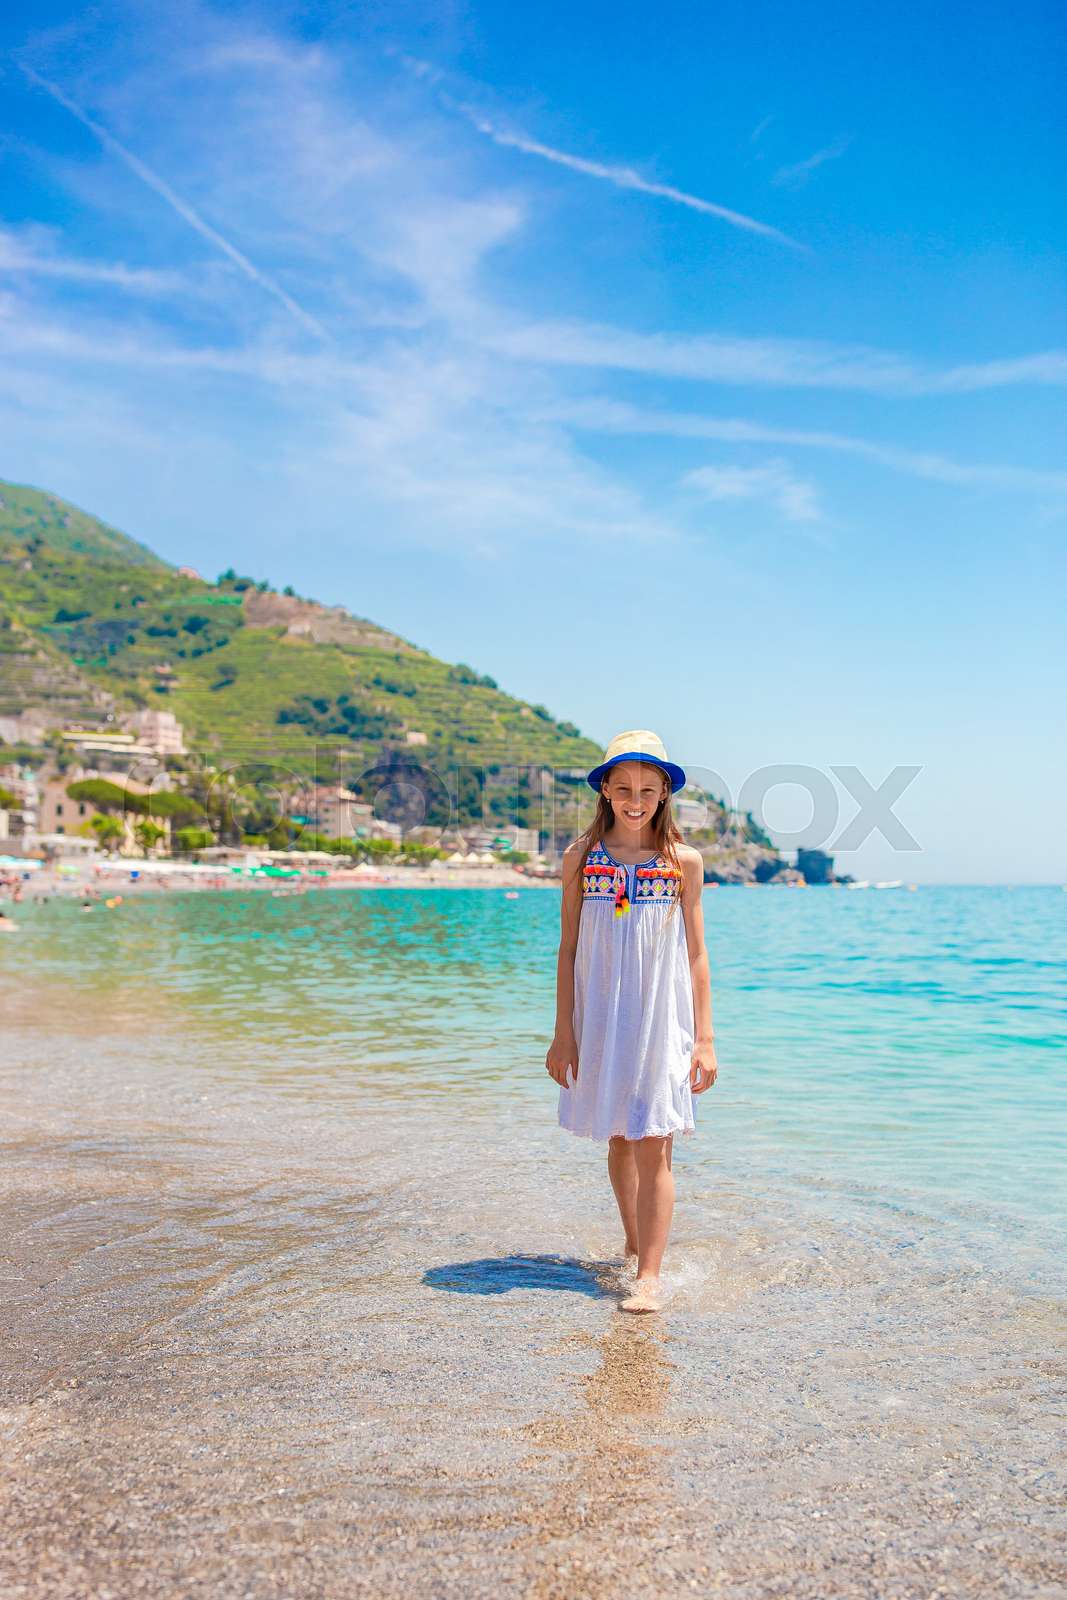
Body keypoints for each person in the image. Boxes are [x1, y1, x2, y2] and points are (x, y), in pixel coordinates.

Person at [545, 730, 717, 1314]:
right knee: (619, 1136)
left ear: (665, 791)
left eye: (647, 788)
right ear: (606, 791)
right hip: (603, 1016)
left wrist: (706, 1040)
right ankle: (633, 1240)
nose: (635, 799)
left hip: (661, 1021)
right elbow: (567, 949)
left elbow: (697, 955)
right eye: (624, 789)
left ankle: (649, 1276)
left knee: (655, 1140)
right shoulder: (581, 858)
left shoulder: (681, 863)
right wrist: (563, 1031)